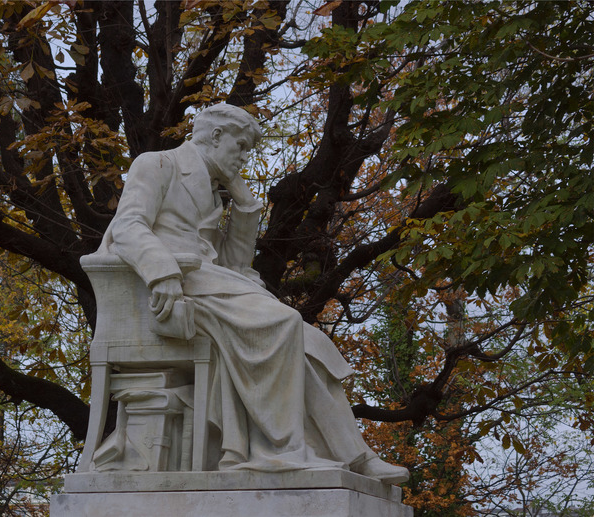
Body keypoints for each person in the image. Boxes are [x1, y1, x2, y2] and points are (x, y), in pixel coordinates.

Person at [95, 103, 409, 483]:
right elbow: (128, 226)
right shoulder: (159, 165)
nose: (244, 157)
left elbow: (233, 265)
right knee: (284, 321)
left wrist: (244, 203)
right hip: (172, 290)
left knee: (306, 340)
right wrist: (162, 273)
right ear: (215, 137)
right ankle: (281, 448)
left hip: (211, 285)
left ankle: (356, 456)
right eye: (241, 147)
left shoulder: (215, 192)